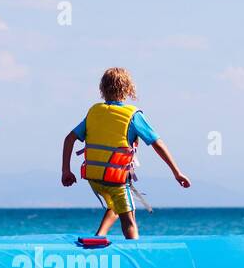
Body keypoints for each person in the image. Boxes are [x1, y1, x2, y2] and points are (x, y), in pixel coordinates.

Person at [60, 67, 189, 239]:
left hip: (94, 177)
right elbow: (157, 144)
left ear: (102, 89)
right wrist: (177, 172)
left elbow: (69, 139)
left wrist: (66, 171)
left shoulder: (94, 111)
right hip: (115, 179)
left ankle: (99, 236)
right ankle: (135, 252)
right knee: (129, 221)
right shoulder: (133, 115)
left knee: (116, 204)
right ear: (128, 89)